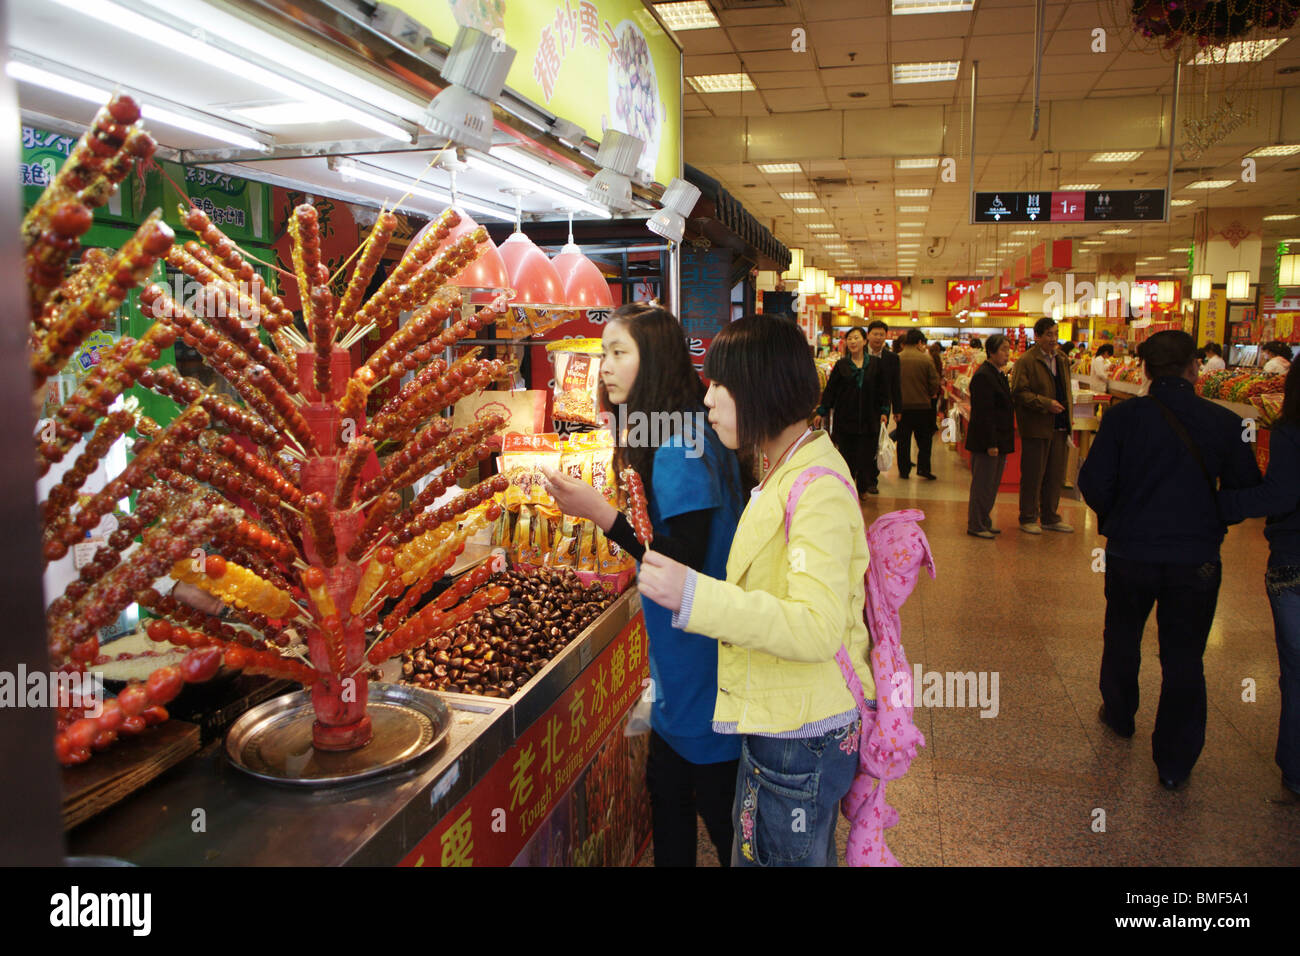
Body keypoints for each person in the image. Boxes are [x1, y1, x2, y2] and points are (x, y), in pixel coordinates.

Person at [634, 315, 874, 867]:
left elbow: (815, 625)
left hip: (800, 734)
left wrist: (695, 595)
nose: (709, 399)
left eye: (722, 385)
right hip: (780, 720)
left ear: (762, 389)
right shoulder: (784, 468)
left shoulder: (818, 491)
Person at [539, 303, 744, 867]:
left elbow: (675, 572)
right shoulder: (679, 430)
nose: (604, 365)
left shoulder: (678, 444)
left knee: (709, 807)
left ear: (651, 361)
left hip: (703, 661)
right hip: (688, 666)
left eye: (617, 352)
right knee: (672, 798)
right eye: (603, 352)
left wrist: (600, 514)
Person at [1077, 330, 1261, 791]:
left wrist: (1117, 519)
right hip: (1195, 558)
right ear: (1194, 369)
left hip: (1130, 551)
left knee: (1122, 634)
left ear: (1144, 370)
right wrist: (1213, 517)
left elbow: (1093, 481)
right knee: (1184, 656)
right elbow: (1247, 489)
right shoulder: (1222, 421)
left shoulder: (1123, 420)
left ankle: (1119, 714)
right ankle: (1174, 761)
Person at [1218, 361, 1300, 800]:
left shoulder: (1290, 431)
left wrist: (1219, 505)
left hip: (1294, 562)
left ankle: (1297, 772)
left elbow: (1281, 495)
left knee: (1297, 673)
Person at [1010, 317, 1074, 533]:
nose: (1053, 339)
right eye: (1048, 334)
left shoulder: (1062, 359)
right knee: (1033, 474)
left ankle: (1050, 516)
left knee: (1055, 474)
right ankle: (1028, 517)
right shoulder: (1027, 361)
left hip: (1060, 424)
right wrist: (1045, 404)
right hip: (1036, 426)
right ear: (1037, 336)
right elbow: (1019, 393)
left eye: (1055, 334)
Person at [812, 326, 889, 497]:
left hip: (870, 419)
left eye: (856, 338)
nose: (852, 342)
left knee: (866, 456)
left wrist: (884, 411)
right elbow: (831, 391)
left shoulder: (876, 365)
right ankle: (848, 488)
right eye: (850, 339)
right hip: (845, 419)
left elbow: (883, 390)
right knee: (846, 456)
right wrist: (822, 411)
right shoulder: (841, 365)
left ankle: (862, 488)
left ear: (864, 341)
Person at [965, 334, 1014, 539]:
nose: (1007, 353)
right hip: (987, 441)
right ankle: (976, 523)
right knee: (983, 484)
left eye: (1008, 349)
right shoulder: (983, 375)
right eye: (1003, 349)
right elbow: (984, 414)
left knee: (992, 484)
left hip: (999, 438)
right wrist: (991, 443)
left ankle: (984, 520)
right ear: (991, 352)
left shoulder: (998, 373)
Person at [896, 328, 941, 480]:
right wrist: (928, 394)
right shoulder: (926, 359)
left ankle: (903, 470)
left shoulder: (897, 358)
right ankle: (923, 468)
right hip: (922, 406)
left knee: (903, 441)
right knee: (924, 440)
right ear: (920, 342)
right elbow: (934, 383)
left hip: (902, 407)